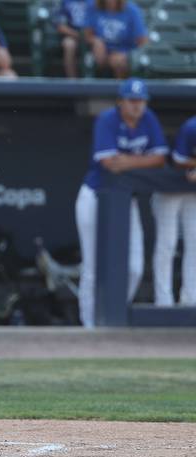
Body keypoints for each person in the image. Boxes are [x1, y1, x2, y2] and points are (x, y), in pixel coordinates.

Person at [75, 78, 167, 328]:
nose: (137, 106)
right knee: (93, 265)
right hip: (95, 196)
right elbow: (108, 163)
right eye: (132, 100)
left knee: (135, 266)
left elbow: (160, 158)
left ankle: (111, 314)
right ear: (121, 101)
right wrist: (139, 161)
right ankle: (89, 324)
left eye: (141, 101)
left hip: (127, 199)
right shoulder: (107, 119)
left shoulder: (149, 119)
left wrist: (125, 163)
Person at [153, 116, 196, 306]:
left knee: (195, 243)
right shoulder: (191, 127)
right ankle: (163, 300)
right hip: (168, 186)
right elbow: (178, 162)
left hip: (191, 191)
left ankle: (190, 298)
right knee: (167, 243)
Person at [84, 0, 146, 79]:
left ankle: (120, 89)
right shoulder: (93, 7)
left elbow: (142, 40)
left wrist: (128, 55)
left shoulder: (132, 10)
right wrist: (96, 41)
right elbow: (87, 34)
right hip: (101, 53)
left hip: (124, 53)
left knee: (117, 62)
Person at [55, 0, 88, 78]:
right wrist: (78, 35)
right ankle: (72, 80)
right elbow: (60, 26)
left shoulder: (93, 2)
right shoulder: (65, 2)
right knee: (69, 44)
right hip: (72, 35)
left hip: (92, 35)